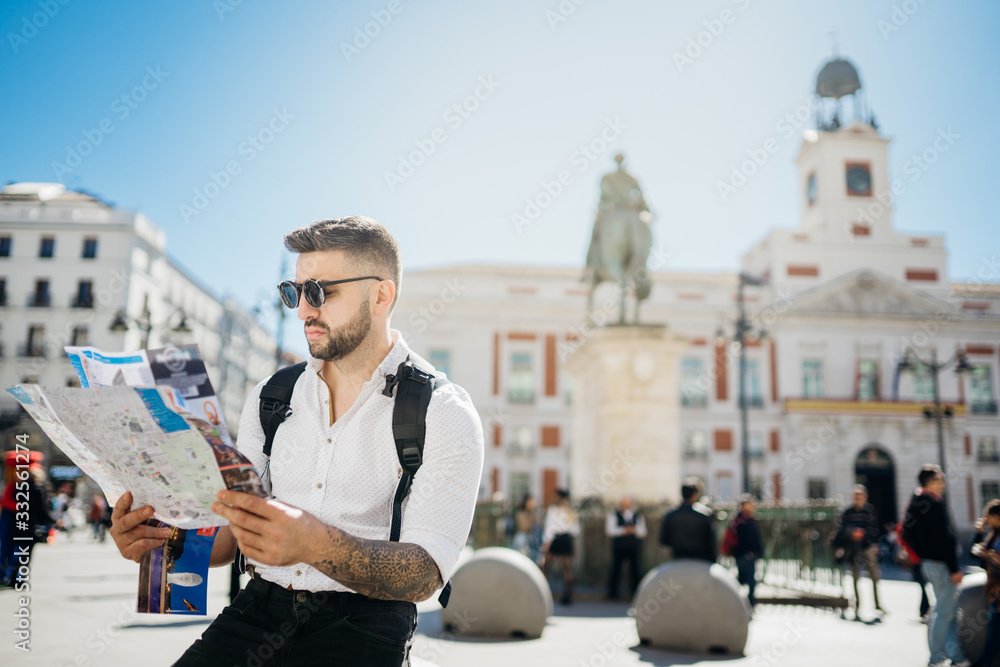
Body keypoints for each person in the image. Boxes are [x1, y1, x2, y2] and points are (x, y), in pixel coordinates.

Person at [109, 216, 484, 666]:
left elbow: (425, 574)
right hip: (258, 609)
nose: (303, 311)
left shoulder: (443, 411)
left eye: (320, 292)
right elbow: (228, 539)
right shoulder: (271, 396)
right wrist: (159, 537)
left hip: (365, 626)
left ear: (381, 296)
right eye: (295, 292)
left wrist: (316, 545)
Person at [901, 464, 966, 667]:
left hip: (929, 563)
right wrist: (954, 568)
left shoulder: (916, 500)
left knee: (944, 610)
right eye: (940, 479)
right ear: (930, 481)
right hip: (940, 563)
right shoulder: (932, 502)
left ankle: (954, 655)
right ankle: (937, 657)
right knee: (945, 611)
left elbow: (906, 531)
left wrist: (921, 554)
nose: (943, 483)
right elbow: (944, 537)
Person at [835, 484, 885, 619]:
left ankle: (877, 604)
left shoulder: (869, 511)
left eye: (860, 496)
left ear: (865, 497)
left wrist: (874, 543)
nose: (857, 499)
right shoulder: (848, 512)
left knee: (874, 576)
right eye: (855, 496)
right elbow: (841, 530)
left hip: (867, 548)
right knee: (855, 578)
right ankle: (857, 605)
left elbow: (874, 529)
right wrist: (851, 533)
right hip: (853, 549)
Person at [970, 500, 1000, 667]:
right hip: (994, 587)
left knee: (994, 624)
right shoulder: (993, 533)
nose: (986, 519)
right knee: (994, 624)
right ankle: (985, 661)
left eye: (989, 516)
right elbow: (974, 555)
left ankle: (985, 661)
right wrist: (978, 533)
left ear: (997, 516)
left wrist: (992, 556)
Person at [659, 477, 716, 563]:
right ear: (695, 494)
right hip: (701, 561)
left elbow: (664, 540)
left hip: (678, 559)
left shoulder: (670, 514)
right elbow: (711, 542)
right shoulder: (705, 514)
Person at [605, 495, 648, 600]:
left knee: (635, 569)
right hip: (619, 546)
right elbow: (609, 530)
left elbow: (643, 532)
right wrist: (624, 530)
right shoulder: (614, 515)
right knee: (616, 569)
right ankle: (613, 593)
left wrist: (634, 529)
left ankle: (635, 592)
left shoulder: (637, 516)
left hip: (633, 546)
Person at [542, 489, 579, 605]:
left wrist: (546, 542)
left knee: (546, 565)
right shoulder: (571, 511)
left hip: (556, 538)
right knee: (567, 568)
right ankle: (568, 594)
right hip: (567, 539)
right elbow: (576, 530)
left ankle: (543, 592)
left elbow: (549, 528)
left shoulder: (553, 510)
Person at [730, 495, 763, 608]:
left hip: (747, 554)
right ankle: (746, 602)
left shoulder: (747, 519)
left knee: (745, 579)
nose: (753, 506)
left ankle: (745, 601)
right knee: (747, 579)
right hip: (745, 554)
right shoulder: (741, 521)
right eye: (750, 504)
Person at [513, 495, 541, 564]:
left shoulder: (532, 514)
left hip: (531, 538)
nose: (532, 504)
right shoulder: (520, 514)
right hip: (523, 538)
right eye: (530, 502)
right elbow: (523, 526)